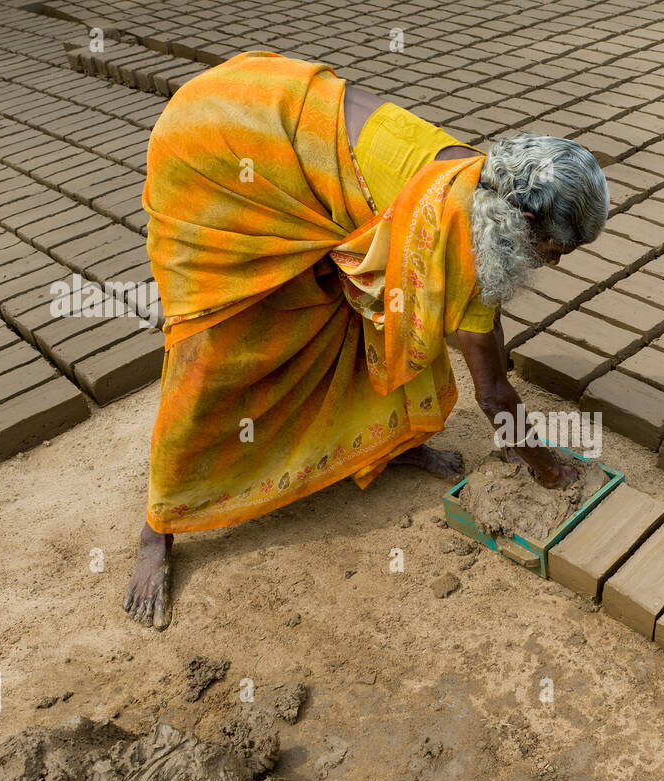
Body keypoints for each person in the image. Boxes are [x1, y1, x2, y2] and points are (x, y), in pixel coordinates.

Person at [123, 52, 609, 628]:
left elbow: (479, 316)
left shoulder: (489, 184)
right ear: (524, 222)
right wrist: (548, 468)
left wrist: (511, 430)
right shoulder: (458, 229)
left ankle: (390, 443)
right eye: (556, 248)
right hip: (221, 151)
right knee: (223, 345)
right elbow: (494, 391)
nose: (553, 263)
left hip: (277, 118)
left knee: (354, 306)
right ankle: (161, 525)